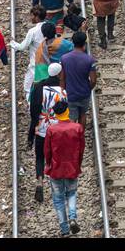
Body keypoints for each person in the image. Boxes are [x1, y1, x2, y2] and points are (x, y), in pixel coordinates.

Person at [44, 100, 85, 236]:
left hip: (56, 169)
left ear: (56, 114)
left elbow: (47, 151)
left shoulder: (51, 130)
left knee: (58, 198)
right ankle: (72, 217)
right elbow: (81, 149)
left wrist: (49, 164)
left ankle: (64, 228)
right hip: (72, 167)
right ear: (67, 112)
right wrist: (78, 164)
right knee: (71, 193)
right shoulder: (77, 128)